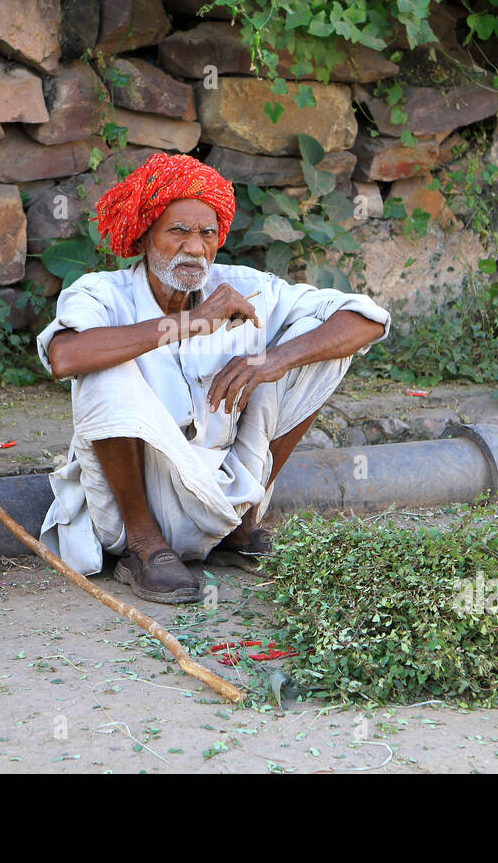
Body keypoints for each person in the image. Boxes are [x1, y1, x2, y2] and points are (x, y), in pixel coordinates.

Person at [36, 153, 390, 603]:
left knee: (310, 347)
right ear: (147, 236)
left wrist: (274, 361)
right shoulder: (101, 292)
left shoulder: (244, 286)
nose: (194, 247)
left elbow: (368, 321)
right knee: (102, 366)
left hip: (223, 491)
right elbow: (65, 357)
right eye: (178, 231)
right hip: (132, 507)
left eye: (207, 233)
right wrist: (191, 323)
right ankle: (144, 551)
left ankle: (242, 528)